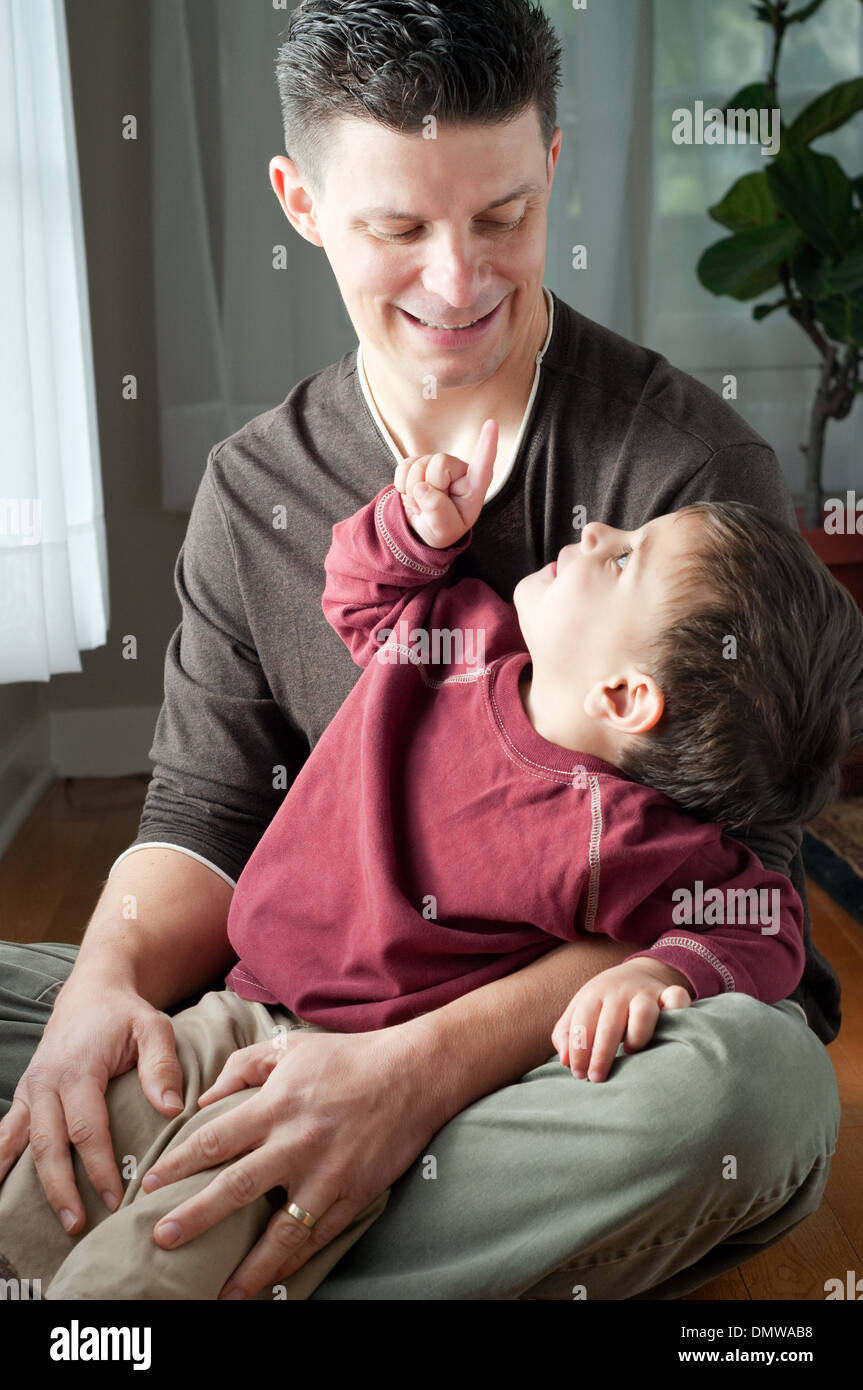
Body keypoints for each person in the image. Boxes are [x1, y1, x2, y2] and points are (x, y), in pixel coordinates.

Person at [0, 0, 844, 1302]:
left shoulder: (681, 472)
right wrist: (100, 990)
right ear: (300, 203)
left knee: (752, 1090)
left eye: (501, 216)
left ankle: (218, 1213)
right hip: (275, 1011)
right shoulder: (258, 489)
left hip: (517, 1065)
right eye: (397, 229)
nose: (458, 282)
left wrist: (416, 1073)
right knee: (61, 1020)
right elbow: (206, 814)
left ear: (551, 164)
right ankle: (258, 1200)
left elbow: (742, 880)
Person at [6, 424, 861, 1300]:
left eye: (623, 561)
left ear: (625, 697)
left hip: (360, 1080)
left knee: (163, 1242)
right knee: (52, 1180)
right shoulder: (461, 632)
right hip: (233, 1008)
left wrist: (656, 969)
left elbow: (761, 919)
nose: (600, 531)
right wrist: (415, 530)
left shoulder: (624, 833)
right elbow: (360, 597)